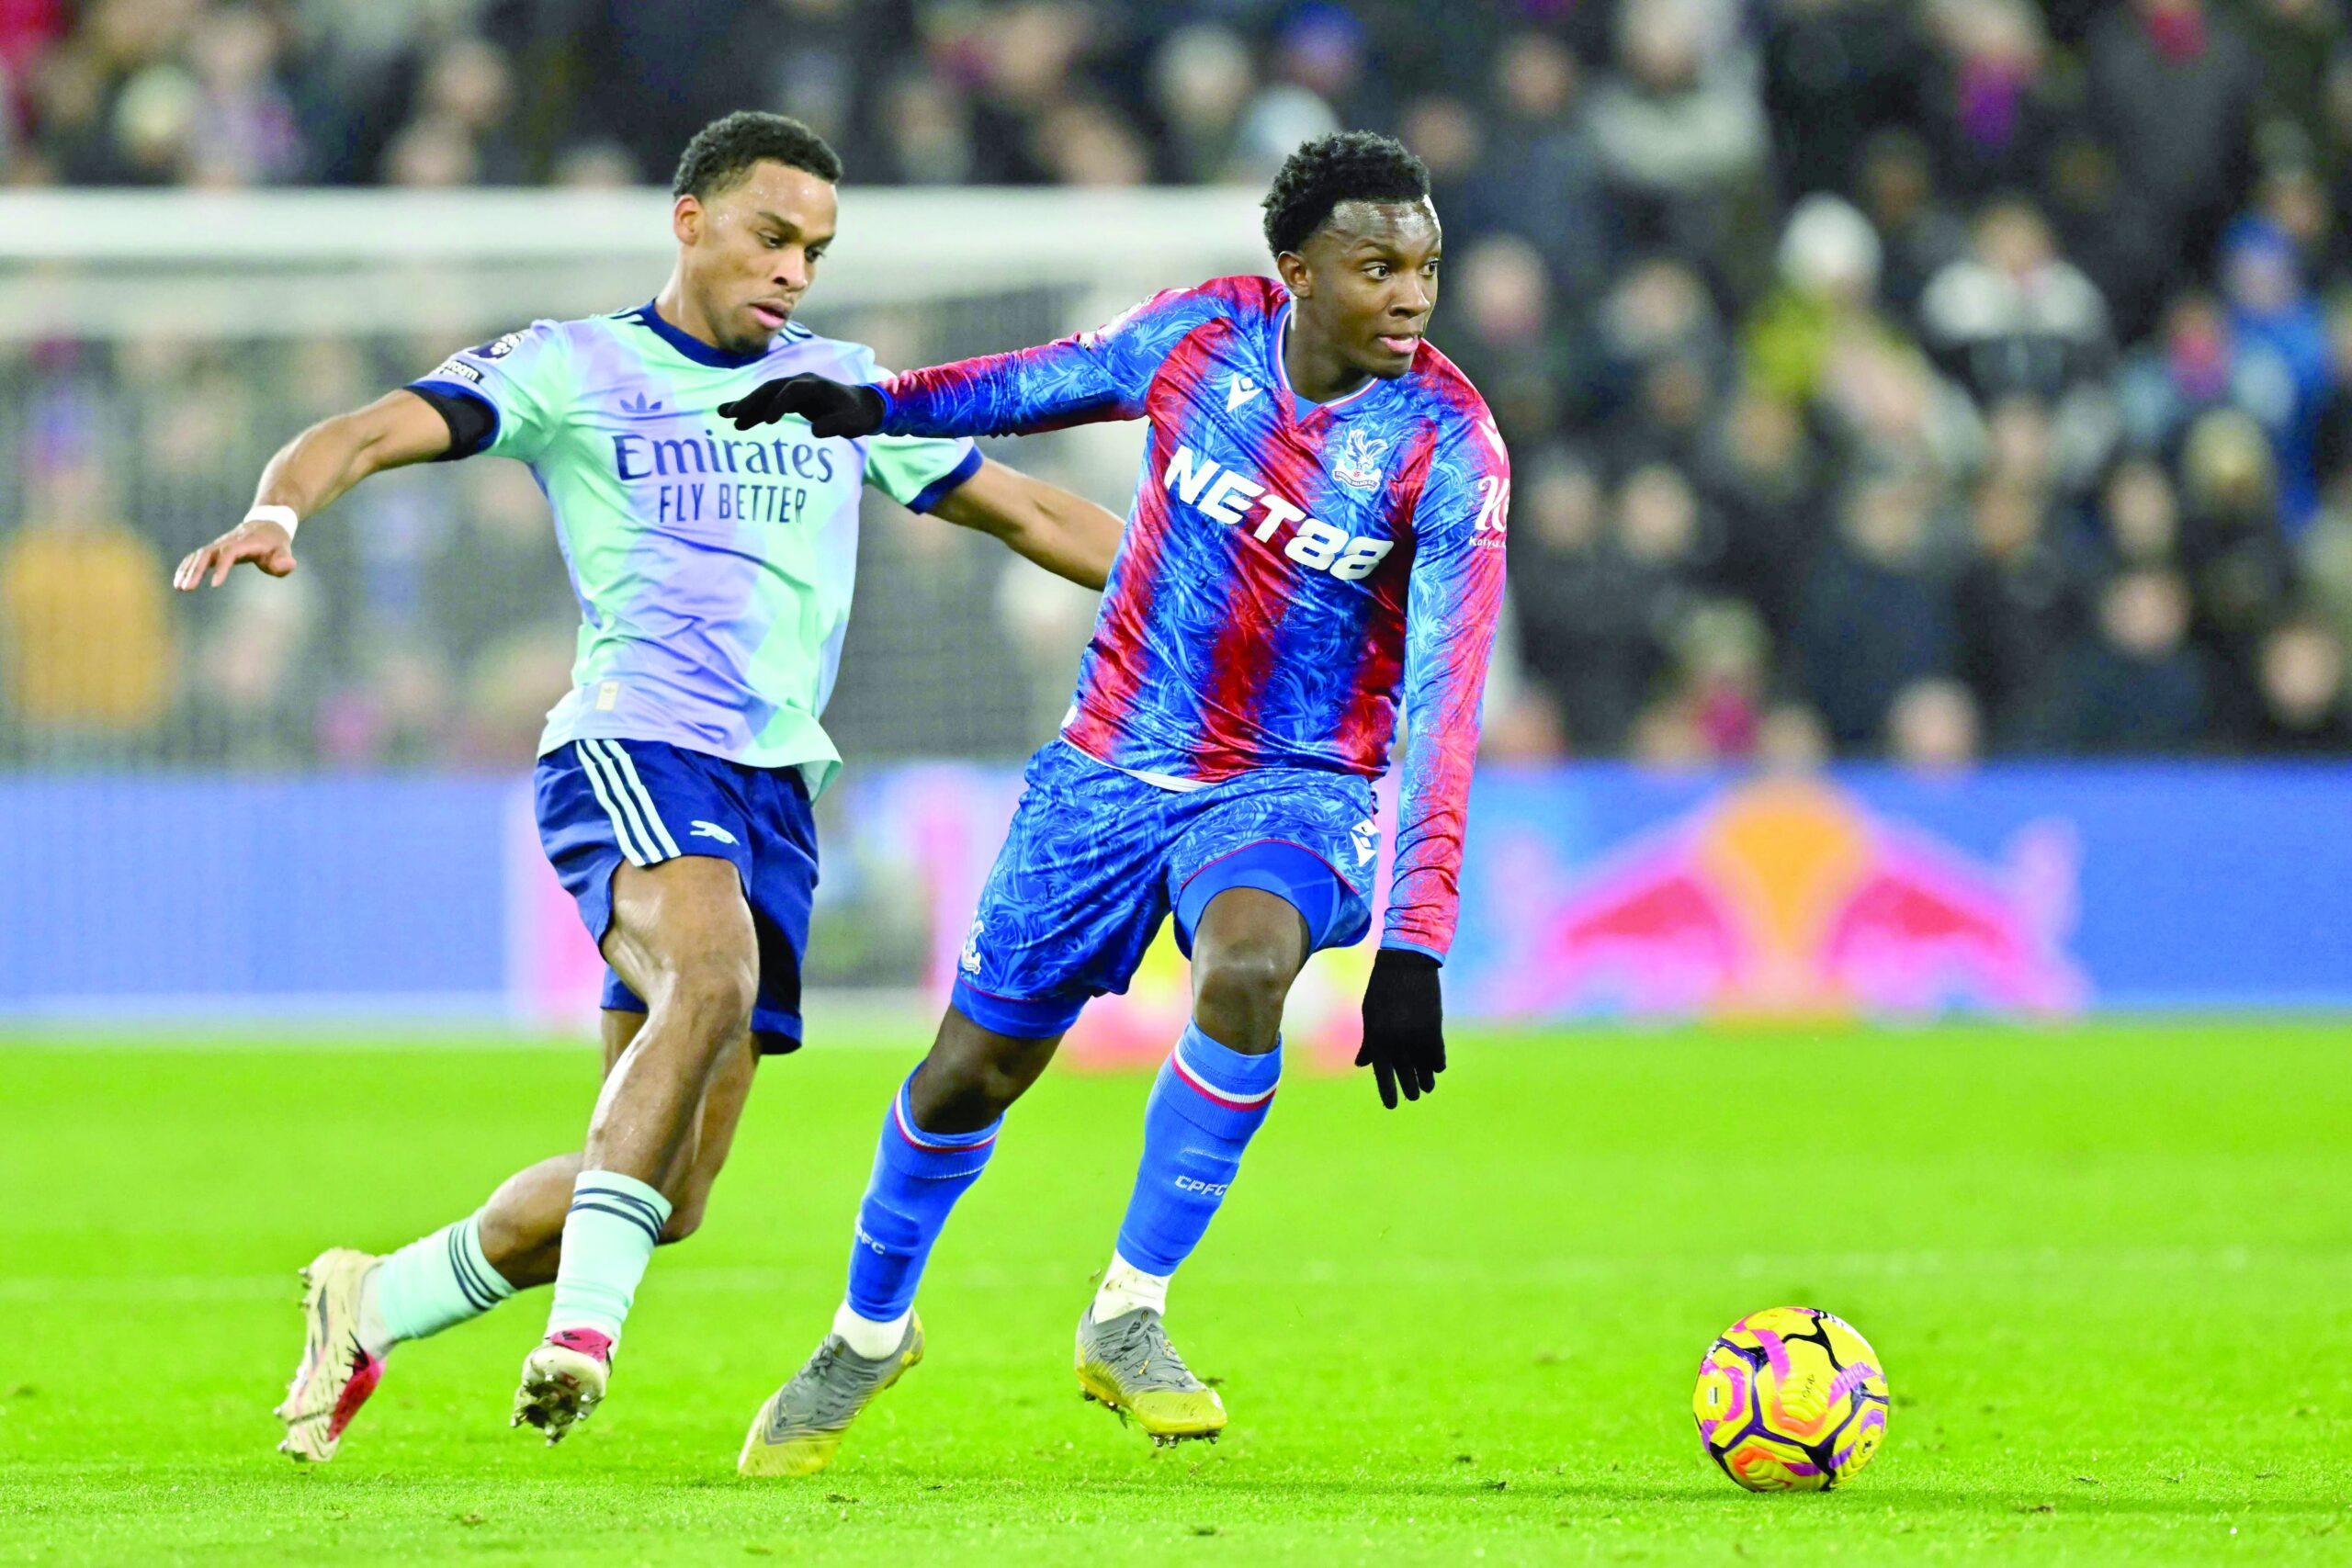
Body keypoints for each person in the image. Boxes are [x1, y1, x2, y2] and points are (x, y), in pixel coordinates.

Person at [171, 111, 1127, 1461]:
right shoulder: (577, 364)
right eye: (772, 236)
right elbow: (376, 427)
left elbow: (1029, 512)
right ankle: (583, 1337)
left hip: (776, 788)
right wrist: (280, 510)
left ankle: (371, 1301)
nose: (795, 269)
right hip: (633, 742)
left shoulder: (843, 386)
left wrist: (1218, 586)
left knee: (670, 1193)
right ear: (690, 221)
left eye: (817, 250)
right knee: (714, 972)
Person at [717, 130, 1510, 1472]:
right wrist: (877, 408)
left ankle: (1129, 1314)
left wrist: (1416, 945)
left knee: (1251, 963)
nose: (1412, 296)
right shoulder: (1203, 336)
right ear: (1297, 270)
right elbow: (1040, 384)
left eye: (1426, 267)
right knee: (969, 1074)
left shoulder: (1449, 445)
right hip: (1106, 766)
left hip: (1292, 783)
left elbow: (1445, 700)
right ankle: (865, 1333)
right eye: (1378, 267)